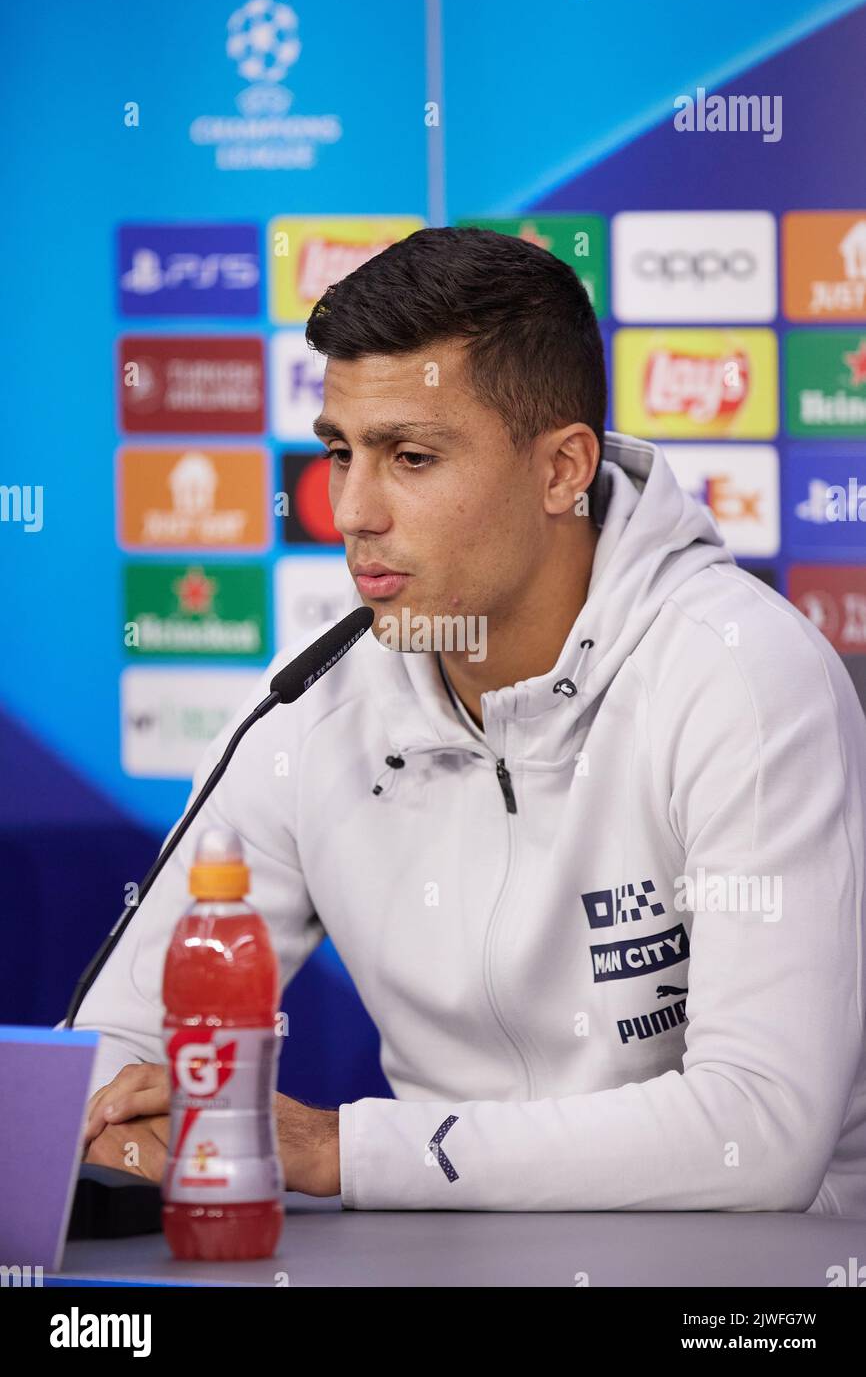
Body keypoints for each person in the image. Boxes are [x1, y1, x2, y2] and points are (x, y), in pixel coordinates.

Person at [74, 227, 866, 1214]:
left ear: (559, 470)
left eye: (408, 456)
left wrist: (347, 1146)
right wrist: (116, 1121)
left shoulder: (741, 678)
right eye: (337, 453)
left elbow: (759, 1132)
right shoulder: (301, 709)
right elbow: (111, 1060)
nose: (351, 511)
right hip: (444, 1267)